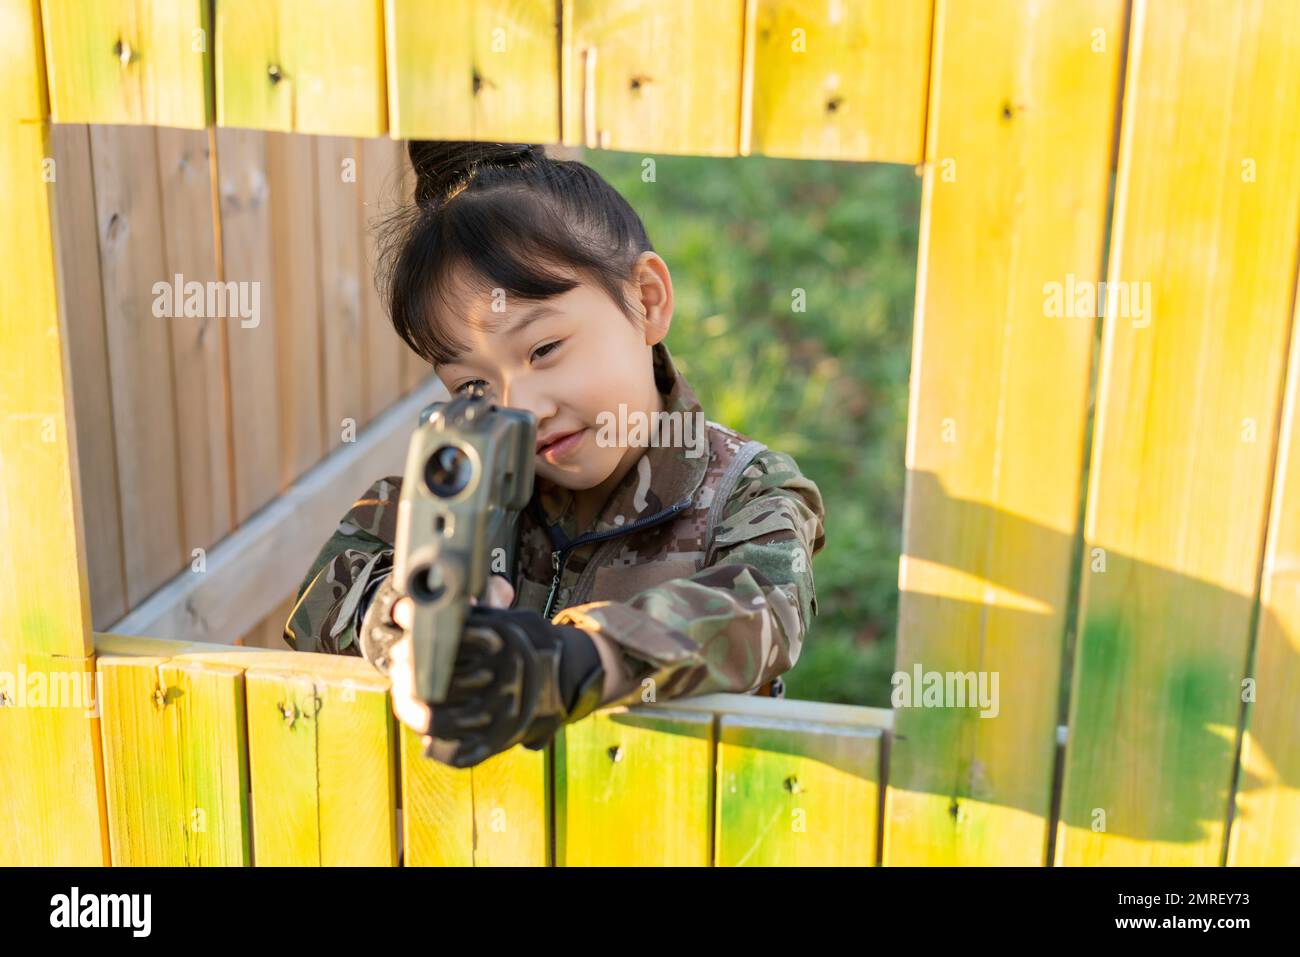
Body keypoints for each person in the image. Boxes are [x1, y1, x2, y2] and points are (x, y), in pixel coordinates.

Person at [285, 141, 825, 768]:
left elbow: (762, 608)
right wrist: (409, 626)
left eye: (543, 350)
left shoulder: (744, 489)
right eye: (474, 387)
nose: (524, 407)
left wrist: (571, 662)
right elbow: (320, 599)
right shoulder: (458, 490)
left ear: (647, 300)